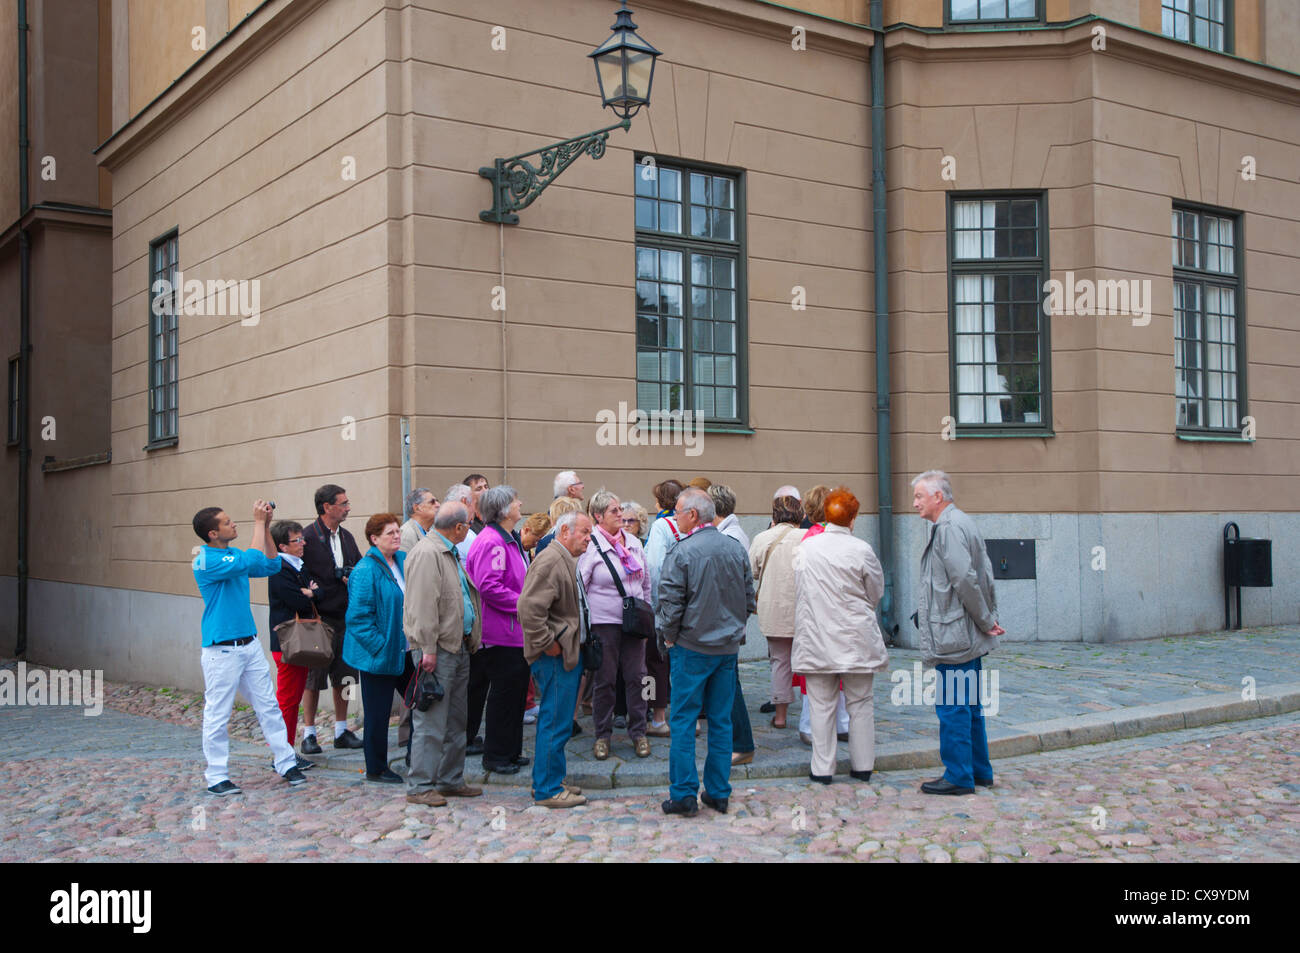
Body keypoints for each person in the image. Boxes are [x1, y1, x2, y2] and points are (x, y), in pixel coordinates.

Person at [191, 502, 306, 795]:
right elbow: (248, 561)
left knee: (268, 706)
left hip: (249, 643)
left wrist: (266, 527)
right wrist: (258, 523)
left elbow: (269, 563)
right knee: (218, 712)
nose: (234, 525)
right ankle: (216, 775)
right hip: (221, 650)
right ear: (213, 533)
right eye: (228, 522)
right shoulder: (204, 560)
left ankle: (285, 761)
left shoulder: (234, 554)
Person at [656, 489, 756, 816]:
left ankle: (685, 793)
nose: (674, 517)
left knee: (684, 720)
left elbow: (670, 603)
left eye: (678, 512)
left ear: (693, 515)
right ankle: (717, 791)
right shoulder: (734, 548)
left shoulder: (682, 551)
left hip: (691, 647)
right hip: (725, 648)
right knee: (720, 720)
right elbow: (748, 599)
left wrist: (669, 638)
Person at [912, 469, 1005, 796]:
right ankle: (978, 771)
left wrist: (985, 620)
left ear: (938, 496)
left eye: (919, 496)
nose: (915, 503)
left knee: (953, 706)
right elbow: (981, 574)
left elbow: (965, 579)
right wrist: (985, 619)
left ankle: (959, 775)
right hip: (963, 631)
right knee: (970, 706)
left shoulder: (949, 527)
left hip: (955, 634)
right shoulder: (960, 521)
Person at [792, 487, 888, 784]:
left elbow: (800, 589)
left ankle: (822, 768)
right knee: (860, 703)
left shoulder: (806, 548)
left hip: (818, 635)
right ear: (852, 518)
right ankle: (862, 765)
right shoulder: (861, 549)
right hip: (855, 637)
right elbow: (876, 591)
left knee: (821, 705)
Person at [403, 501, 484, 807]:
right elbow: (422, 605)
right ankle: (421, 785)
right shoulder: (428, 553)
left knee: (455, 720)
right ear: (459, 527)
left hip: (457, 645)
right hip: (437, 650)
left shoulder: (446, 551)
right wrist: (427, 648)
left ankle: (450, 779)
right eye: (468, 525)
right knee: (431, 721)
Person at [518, 511, 594, 808]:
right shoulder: (551, 560)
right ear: (565, 531)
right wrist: (547, 643)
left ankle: (552, 779)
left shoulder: (561, 557)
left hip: (564, 653)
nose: (589, 539)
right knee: (555, 719)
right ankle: (547, 788)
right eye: (585, 533)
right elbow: (528, 608)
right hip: (555, 657)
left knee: (560, 720)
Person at [578, 489, 653, 761]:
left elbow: (646, 583)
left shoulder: (633, 542)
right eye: (614, 511)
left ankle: (639, 732)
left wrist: (647, 614)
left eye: (620, 509)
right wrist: (585, 626)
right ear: (598, 516)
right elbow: (581, 587)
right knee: (605, 680)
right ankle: (602, 735)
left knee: (638, 677)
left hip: (634, 623)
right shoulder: (592, 545)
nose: (621, 515)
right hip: (605, 624)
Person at [464, 485, 531, 773]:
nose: (520, 504)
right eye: (516, 501)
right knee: (504, 695)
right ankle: (496, 756)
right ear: (503, 509)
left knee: (515, 695)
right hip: (500, 632)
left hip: (514, 632)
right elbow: (490, 587)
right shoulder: (493, 541)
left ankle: (511, 750)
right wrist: (524, 604)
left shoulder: (507, 538)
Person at [342, 513, 413, 782]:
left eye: (398, 532)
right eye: (390, 533)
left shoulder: (404, 561)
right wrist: (381, 647)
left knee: (421, 701)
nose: (397, 536)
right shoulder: (365, 570)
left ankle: (415, 757)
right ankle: (376, 768)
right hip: (380, 654)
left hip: (406, 649)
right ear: (374, 539)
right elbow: (358, 620)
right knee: (378, 713)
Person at [300, 483, 364, 754]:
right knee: (313, 679)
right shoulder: (307, 537)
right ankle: (309, 733)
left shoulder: (347, 536)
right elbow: (299, 572)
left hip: (345, 617)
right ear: (327, 507)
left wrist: (352, 577)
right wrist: (318, 590)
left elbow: (359, 567)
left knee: (345, 678)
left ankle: (341, 730)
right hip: (319, 618)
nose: (348, 507)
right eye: (344, 503)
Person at [794, 483, 849, 745]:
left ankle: (818, 724)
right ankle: (836, 723)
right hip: (833, 613)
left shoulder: (811, 536)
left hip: (818, 613)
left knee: (819, 670)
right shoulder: (831, 536)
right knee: (833, 668)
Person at [708, 484, 756, 767]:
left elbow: (734, 585)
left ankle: (742, 743)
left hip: (725, 624)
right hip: (728, 622)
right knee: (726, 684)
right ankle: (733, 740)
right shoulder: (731, 533)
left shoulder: (730, 537)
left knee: (731, 685)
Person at [267, 520, 320, 770]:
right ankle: (283, 753)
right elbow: (297, 599)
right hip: (287, 641)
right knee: (287, 700)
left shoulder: (298, 566)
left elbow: (316, 591)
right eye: (297, 540)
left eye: (302, 539)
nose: (302, 544)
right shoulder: (279, 567)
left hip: (300, 641)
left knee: (294, 696)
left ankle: (287, 750)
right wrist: (308, 594)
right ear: (282, 546)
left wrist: (312, 593)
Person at [749, 494, 804, 731]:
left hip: (773, 609)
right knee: (809, 663)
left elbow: (752, 571)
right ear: (800, 514)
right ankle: (811, 718)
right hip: (804, 609)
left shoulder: (762, 538)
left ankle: (780, 717)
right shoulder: (808, 538)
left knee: (779, 661)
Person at [641, 479, 685, 736]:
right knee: (682, 663)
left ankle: (657, 718)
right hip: (687, 606)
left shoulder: (661, 525)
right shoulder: (689, 523)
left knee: (654, 664)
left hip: (663, 606)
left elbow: (655, 566)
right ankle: (691, 719)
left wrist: (653, 605)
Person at [444, 484, 479, 559]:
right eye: (475, 503)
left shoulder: (440, 529)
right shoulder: (466, 536)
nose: (475, 509)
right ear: (464, 501)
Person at [400, 487, 439, 553]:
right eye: (432, 502)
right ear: (417, 508)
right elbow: (405, 562)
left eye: (437, 501)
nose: (438, 505)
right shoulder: (407, 534)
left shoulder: (432, 531)